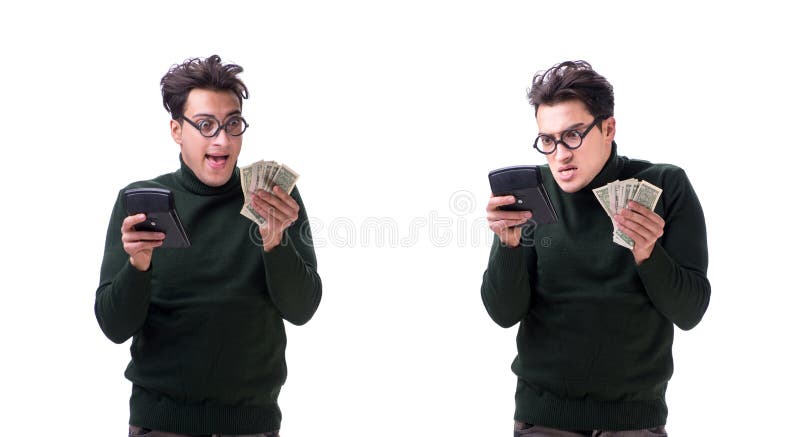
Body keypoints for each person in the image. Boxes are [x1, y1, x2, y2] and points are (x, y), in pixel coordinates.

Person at [95, 55, 322, 437]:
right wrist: (138, 266)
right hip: (161, 425)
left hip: (251, 426)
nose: (222, 139)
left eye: (233, 124)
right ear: (176, 130)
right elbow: (114, 327)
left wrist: (275, 242)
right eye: (205, 125)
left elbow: (302, 310)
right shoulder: (139, 203)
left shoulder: (273, 199)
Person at [481, 60, 710, 436]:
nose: (560, 154)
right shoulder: (530, 194)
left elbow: (690, 312)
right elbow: (504, 313)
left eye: (573, 135)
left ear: (608, 128)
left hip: (635, 421)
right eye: (548, 140)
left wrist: (648, 254)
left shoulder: (666, 185)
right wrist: (507, 245)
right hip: (544, 419)